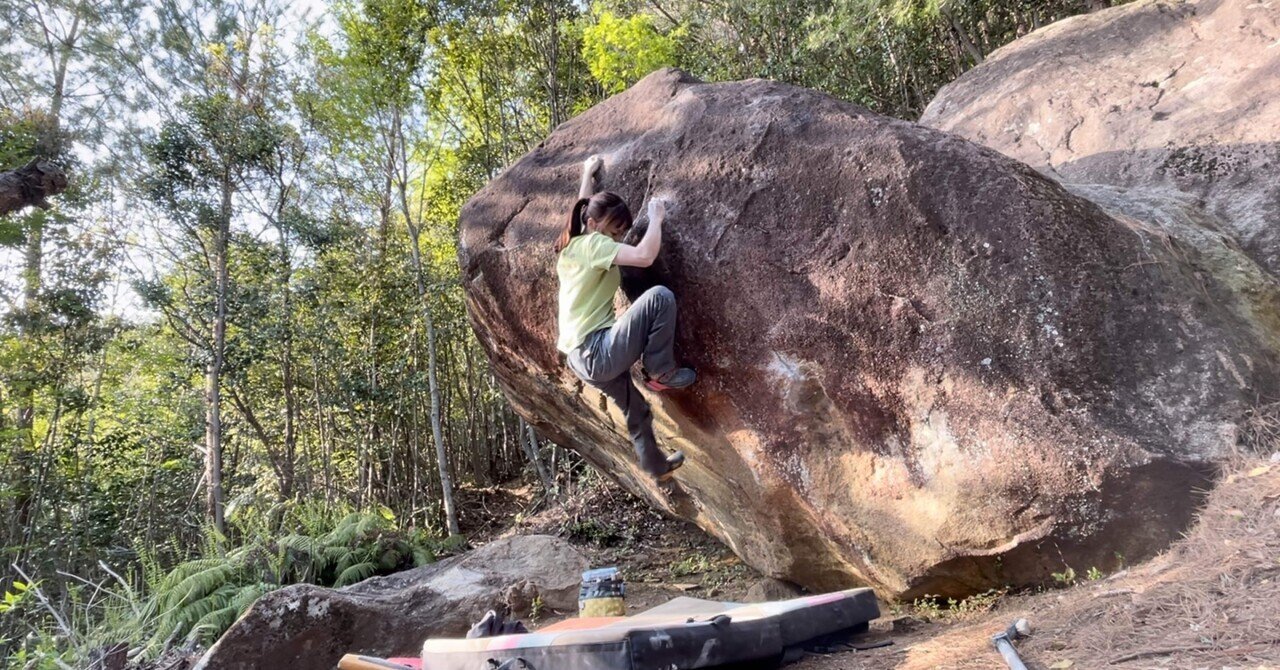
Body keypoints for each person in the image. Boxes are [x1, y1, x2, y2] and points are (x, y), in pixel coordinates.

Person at [555, 154, 695, 482]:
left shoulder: (575, 241)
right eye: (615, 232)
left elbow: (581, 204)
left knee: (637, 410)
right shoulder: (594, 245)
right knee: (659, 298)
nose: (616, 240)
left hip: (580, 358)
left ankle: (655, 467)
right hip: (595, 350)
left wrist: (588, 173)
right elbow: (645, 257)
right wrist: (656, 218)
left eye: (620, 234)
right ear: (595, 224)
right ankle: (661, 370)